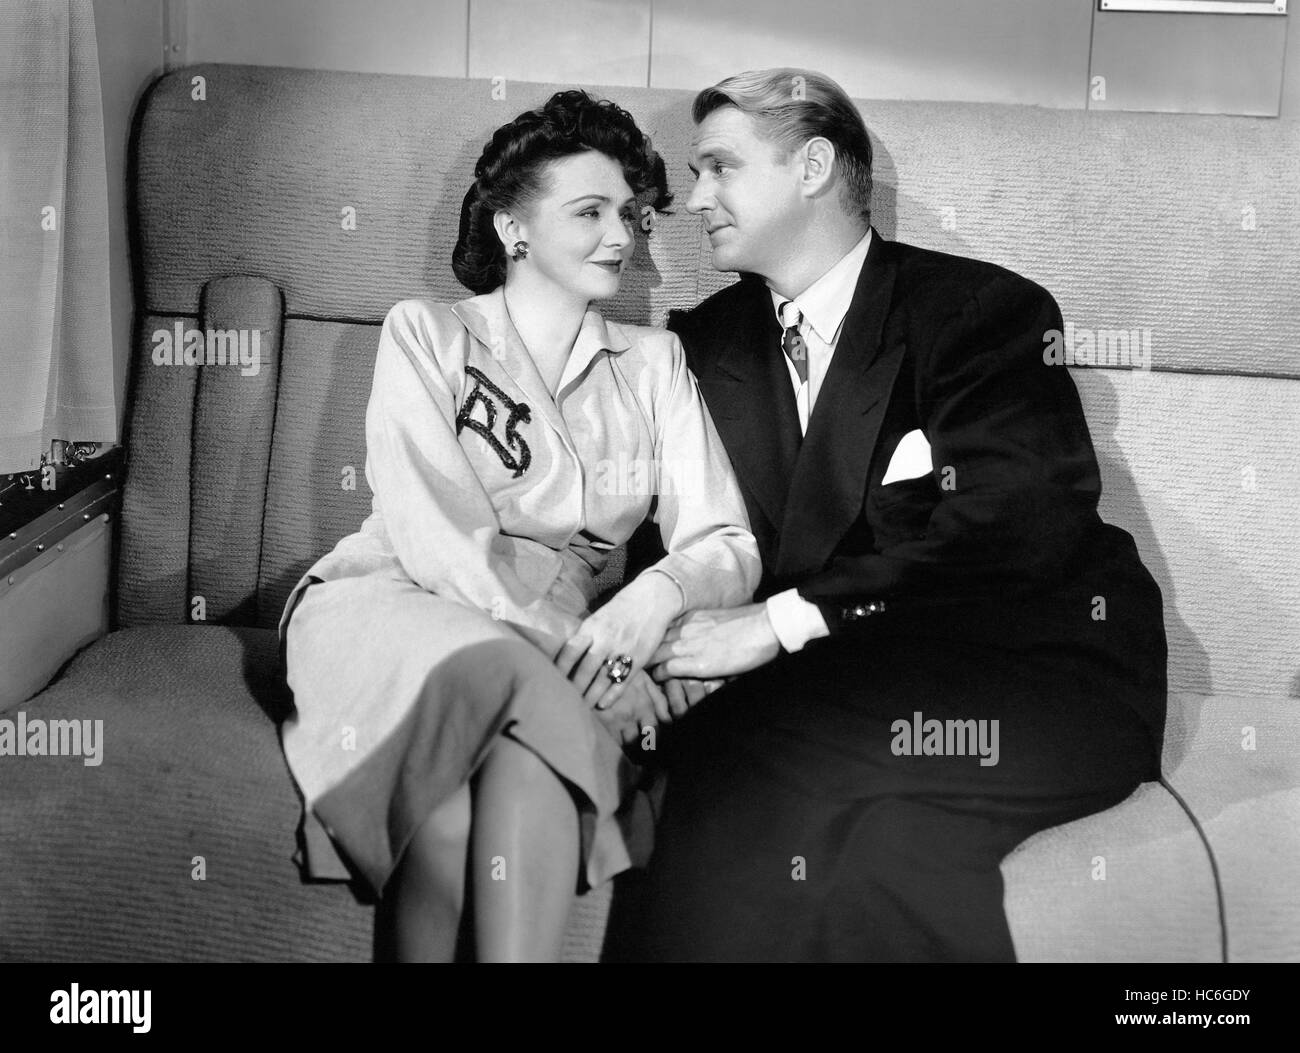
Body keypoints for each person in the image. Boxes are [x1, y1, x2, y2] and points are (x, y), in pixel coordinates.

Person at [621, 68, 1169, 962]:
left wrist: (775, 623)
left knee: (734, 745)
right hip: (856, 684)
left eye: (719, 167)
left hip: (1034, 674)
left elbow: (1014, 526)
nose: (693, 198)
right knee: (893, 855)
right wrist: (653, 647)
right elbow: (676, 530)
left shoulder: (985, 313)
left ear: (811, 166)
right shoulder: (702, 345)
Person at [276, 89, 760, 963]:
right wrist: (576, 658)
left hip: (559, 627)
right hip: (397, 601)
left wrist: (654, 597)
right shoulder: (426, 334)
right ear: (511, 226)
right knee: (501, 674)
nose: (624, 236)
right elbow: (436, 532)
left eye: (634, 215)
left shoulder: (653, 364)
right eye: (591, 212)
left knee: (489, 788)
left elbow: (726, 542)